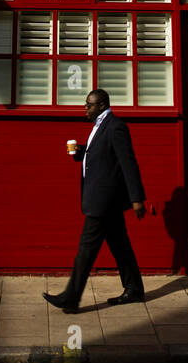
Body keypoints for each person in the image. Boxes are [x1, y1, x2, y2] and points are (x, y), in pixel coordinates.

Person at [43, 88, 146, 311]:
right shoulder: (99, 127)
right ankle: (134, 288)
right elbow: (101, 156)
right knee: (120, 245)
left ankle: (70, 298)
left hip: (104, 200)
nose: (85, 108)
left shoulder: (116, 126)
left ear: (101, 106)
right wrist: (81, 152)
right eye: (85, 104)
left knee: (86, 250)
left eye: (89, 105)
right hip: (104, 200)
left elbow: (128, 162)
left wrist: (137, 198)